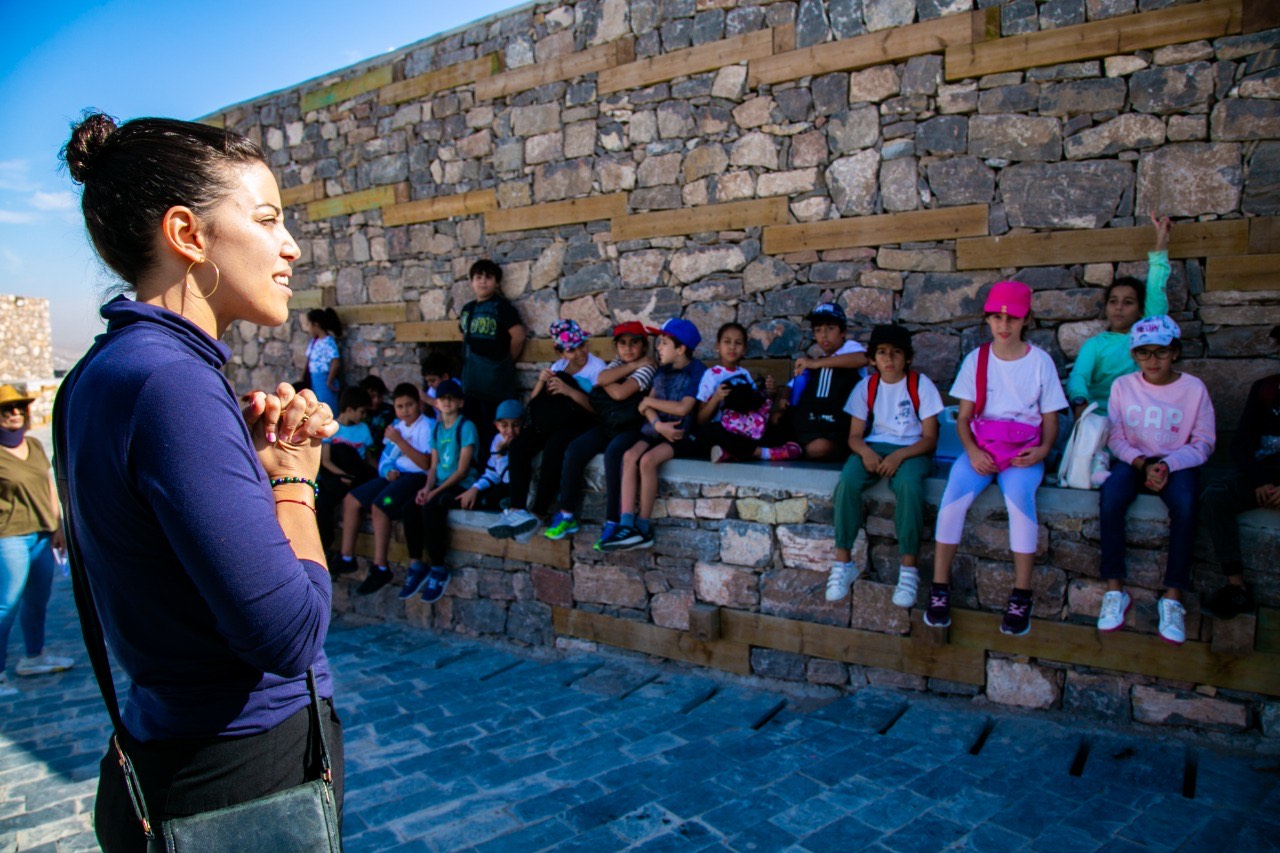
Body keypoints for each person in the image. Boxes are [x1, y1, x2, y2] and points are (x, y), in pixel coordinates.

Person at [55, 113, 343, 851]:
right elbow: (289, 631)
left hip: (171, 746)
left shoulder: (98, 372)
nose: (291, 245)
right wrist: (293, 480)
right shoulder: (172, 383)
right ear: (188, 234)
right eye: (268, 218)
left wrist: (243, 463)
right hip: (244, 768)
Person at [927, 281, 1067, 636]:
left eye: (1012, 319)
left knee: (1020, 501)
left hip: (1023, 453)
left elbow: (1050, 418)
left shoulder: (1040, 363)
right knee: (952, 500)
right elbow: (963, 418)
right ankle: (939, 588)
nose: (1004, 326)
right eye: (996, 318)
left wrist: (1043, 451)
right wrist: (972, 452)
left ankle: (1022, 593)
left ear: (1025, 320)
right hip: (982, 449)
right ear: (987, 320)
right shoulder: (978, 360)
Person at [1097, 316, 1214, 644]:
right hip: (1135, 461)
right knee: (1111, 497)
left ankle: (1173, 596)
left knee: (1187, 504)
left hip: (1177, 464)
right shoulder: (1123, 386)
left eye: (1160, 352)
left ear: (1174, 352)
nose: (1152, 360)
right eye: (1143, 353)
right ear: (1134, 355)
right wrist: (1142, 463)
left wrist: (1167, 464)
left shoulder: (1193, 389)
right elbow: (1116, 437)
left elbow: (1204, 442)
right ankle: (1115, 590)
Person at [828, 326, 943, 606]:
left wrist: (900, 456)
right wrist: (866, 452)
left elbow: (930, 438)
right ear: (872, 359)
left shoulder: (920, 384)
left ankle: (908, 568)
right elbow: (854, 436)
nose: (889, 358)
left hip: (912, 448)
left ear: (908, 358)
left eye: (896, 352)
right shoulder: (866, 386)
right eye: (882, 353)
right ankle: (843, 562)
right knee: (848, 482)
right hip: (874, 446)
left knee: (908, 486)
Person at [488, 319, 605, 539]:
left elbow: (598, 410)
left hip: (581, 424)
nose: (580, 352)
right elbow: (536, 403)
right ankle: (517, 510)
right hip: (554, 421)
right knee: (520, 444)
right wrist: (541, 382)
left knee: (555, 446)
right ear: (560, 352)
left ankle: (538, 513)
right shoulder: (558, 367)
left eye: (582, 345)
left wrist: (569, 390)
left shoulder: (597, 368)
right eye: (572, 349)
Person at [599, 319, 707, 551]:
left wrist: (649, 402)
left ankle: (643, 526)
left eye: (664, 343)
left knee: (647, 461)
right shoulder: (661, 370)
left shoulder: (697, 371)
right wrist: (657, 424)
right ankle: (626, 523)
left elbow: (683, 409)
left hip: (681, 434)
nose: (657, 348)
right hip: (657, 429)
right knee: (629, 456)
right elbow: (644, 408)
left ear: (681, 349)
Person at [0, 385, 74, 699]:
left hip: (43, 534)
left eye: (19, 407)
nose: (15, 413)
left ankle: (34, 657)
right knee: (7, 604)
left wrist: (59, 526)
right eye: (7, 409)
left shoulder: (33, 445)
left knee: (37, 600)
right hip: (10, 535)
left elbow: (49, 484)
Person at [1201, 329, 1280, 619]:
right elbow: (1241, 443)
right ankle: (1236, 586)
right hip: (1262, 473)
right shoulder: (1266, 389)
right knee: (1215, 497)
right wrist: (1261, 479)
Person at [1066, 214, 1172, 418]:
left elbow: (1157, 287)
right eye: (1113, 301)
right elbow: (1079, 377)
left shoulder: (1148, 337)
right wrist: (1080, 402)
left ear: (1142, 310)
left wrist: (1161, 240)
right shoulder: (1096, 345)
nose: (1119, 308)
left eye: (1128, 302)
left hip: (1144, 419)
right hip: (1102, 422)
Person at [337, 383, 431, 593]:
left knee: (381, 505)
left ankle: (380, 566)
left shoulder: (427, 426)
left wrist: (399, 441)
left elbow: (426, 463)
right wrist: (387, 471)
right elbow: (385, 459)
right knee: (352, 500)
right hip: (395, 476)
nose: (405, 410)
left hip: (416, 478)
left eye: (409, 405)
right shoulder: (397, 425)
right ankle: (346, 556)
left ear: (419, 405)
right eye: (400, 406)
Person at [401, 381, 477, 604]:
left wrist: (435, 493)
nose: (446, 402)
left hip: (461, 485)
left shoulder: (466, 427)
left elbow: (462, 470)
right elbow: (433, 466)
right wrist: (426, 488)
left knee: (431, 508)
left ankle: (438, 568)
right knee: (409, 507)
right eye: (442, 398)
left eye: (451, 398)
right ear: (437, 402)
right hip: (439, 484)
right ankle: (416, 564)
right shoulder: (437, 427)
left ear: (460, 402)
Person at [776, 302, 868, 461]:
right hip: (813, 422)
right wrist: (785, 397)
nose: (824, 335)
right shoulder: (815, 363)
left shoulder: (849, 349)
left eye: (830, 329)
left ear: (843, 332)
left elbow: (862, 359)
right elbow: (791, 385)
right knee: (775, 419)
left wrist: (815, 363)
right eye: (818, 330)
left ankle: (796, 449)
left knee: (818, 448)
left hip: (840, 425)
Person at [697, 322, 798, 463]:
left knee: (780, 423)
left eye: (738, 343)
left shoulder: (745, 374)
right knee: (707, 433)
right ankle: (763, 453)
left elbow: (757, 409)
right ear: (717, 346)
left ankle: (731, 453)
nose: (732, 347)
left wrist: (770, 394)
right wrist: (715, 398)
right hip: (724, 430)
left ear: (744, 349)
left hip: (746, 429)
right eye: (727, 342)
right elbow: (701, 419)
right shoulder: (711, 375)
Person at [459, 259, 526, 459]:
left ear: (496, 282)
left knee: (494, 429)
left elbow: (518, 335)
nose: (483, 282)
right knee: (473, 428)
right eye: (478, 277)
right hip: (472, 381)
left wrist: (506, 362)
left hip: (495, 382)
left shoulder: (501, 307)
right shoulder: (468, 309)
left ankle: (493, 472)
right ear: (471, 282)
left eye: (489, 277)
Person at [316, 387, 375, 552]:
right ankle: (324, 546)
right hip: (337, 475)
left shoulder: (363, 428)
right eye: (362, 412)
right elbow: (326, 461)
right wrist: (342, 475)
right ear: (349, 410)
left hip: (356, 474)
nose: (364, 416)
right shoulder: (332, 428)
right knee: (322, 502)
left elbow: (368, 459)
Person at [457, 399, 524, 512]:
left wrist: (499, 453)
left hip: (517, 488)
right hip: (502, 483)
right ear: (496, 425)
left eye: (516, 425)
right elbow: (492, 473)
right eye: (504, 425)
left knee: (489, 500)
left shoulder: (522, 441)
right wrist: (475, 488)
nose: (510, 431)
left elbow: (508, 479)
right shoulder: (498, 439)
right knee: (475, 495)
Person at [301, 307, 343, 413]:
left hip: (324, 379)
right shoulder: (314, 341)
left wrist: (329, 380)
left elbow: (335, 362)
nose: (308, 328)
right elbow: (309, 360)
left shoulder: (328, 342)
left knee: (327, 409)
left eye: (309, 324)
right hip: (314, 379)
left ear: (316, 324)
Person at [359, 375, 395, 458]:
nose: (376, 400)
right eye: (372, 396)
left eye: (380, 396)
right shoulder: (357, 413)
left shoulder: (390, 411)